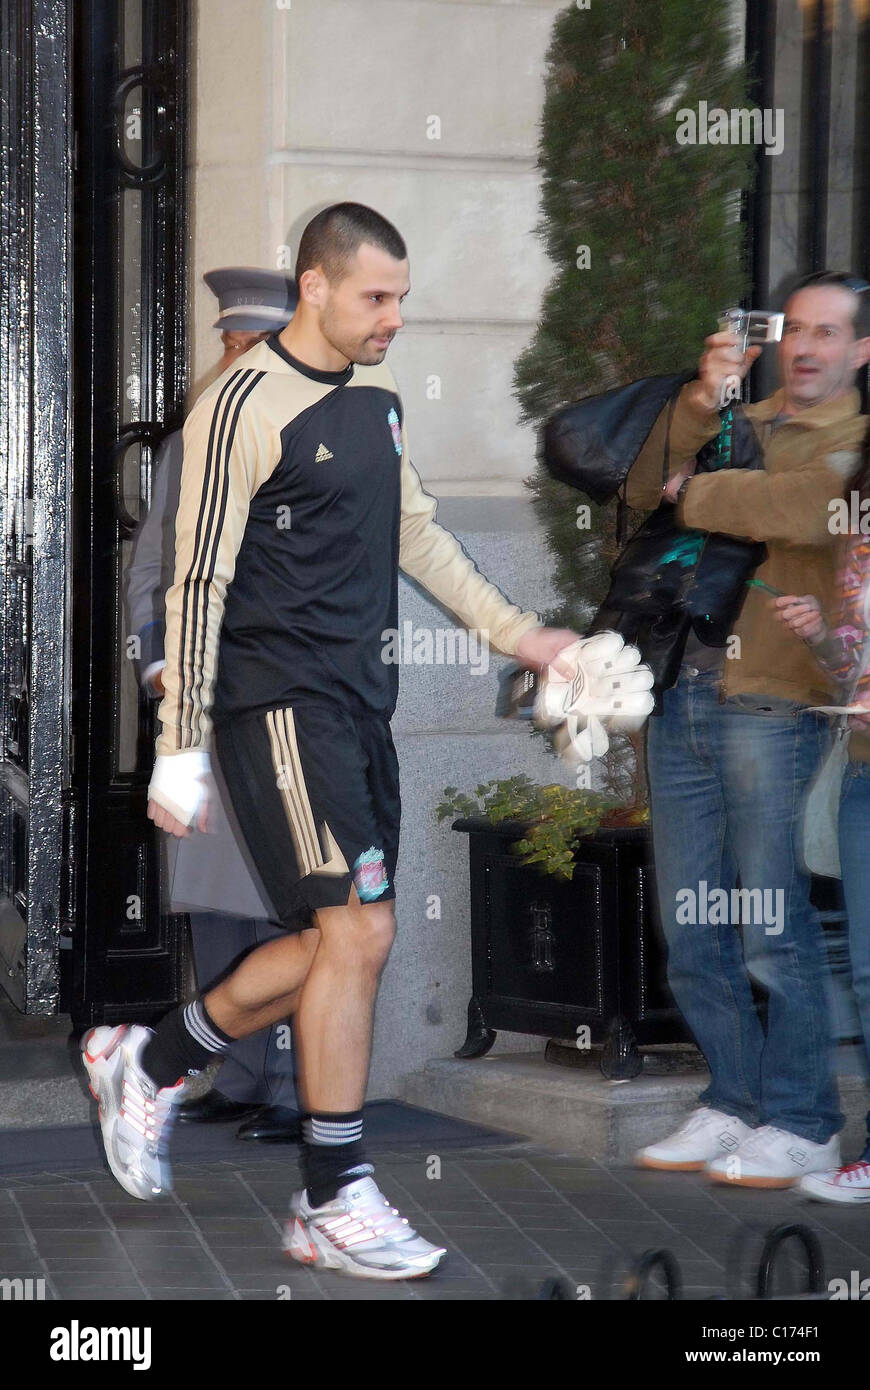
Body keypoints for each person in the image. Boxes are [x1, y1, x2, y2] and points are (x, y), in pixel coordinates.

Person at [83, 202, 618, 1281]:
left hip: (356, 709)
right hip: (273, 706)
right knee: (359, 934)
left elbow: (418, 531)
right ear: (314, 286)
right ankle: (333, 1194)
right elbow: (196, 584)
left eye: (403, 299)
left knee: (348, 942)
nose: (394, 319)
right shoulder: (243, 402)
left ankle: (154, 1055)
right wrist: (178, 746)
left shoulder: (374, 403)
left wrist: (525, 635)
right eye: (378, 296)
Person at [629, 271, 870, 1186]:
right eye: (794, 329)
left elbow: (802, 507)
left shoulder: (854, 443)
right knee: (690, 925)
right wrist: (703, 400)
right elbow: (643, 477)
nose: (804, 347)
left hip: (775, 702)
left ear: (860, 351)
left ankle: (805, 1119)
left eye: (827, 333)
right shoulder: (745, 416)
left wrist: (697, 492)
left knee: (773, 927)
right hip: (682, 690)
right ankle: (734, 1100)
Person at [124, 266, 305, 1143]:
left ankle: (305, 1088)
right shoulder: (187, 444)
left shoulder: (319, 437)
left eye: (255, 346)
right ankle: (234, 1071)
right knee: (219, 901)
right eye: (228, 344)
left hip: (284, 714)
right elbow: (151, 572)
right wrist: (156, 665)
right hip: (198, 714)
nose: (237, 359)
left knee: (294, 904)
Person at [773, 437, 870, 1202]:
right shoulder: (859, 524)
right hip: (866, 767)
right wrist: (821, 637)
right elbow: (853, 657)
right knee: (867, 972)